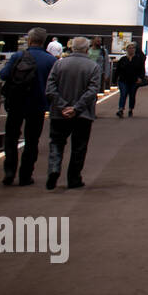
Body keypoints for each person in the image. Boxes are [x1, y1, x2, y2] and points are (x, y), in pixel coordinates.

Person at [0, 27, 57, 187]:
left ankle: (9, 172)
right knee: (32, 141)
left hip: (16, 102)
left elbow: (3, 74)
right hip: (37, 105)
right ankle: (25, 175)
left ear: (29, 40)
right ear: (44, 41)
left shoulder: (18, 56)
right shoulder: (50, 60)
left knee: (11, 138)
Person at [45, 36, 102, 190]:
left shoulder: (59, 64)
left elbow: (50, 89)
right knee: (79, 147)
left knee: (56, 143)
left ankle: (54, 169)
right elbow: (92, 91)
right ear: (86, 48)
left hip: (59, 114)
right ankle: (74, 178)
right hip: (82, 115)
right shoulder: (93, 66)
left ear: (71, 48)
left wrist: (63, 106)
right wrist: (76, 108)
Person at [114, 43, 146, 117]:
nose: (131, 50)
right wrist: (114, 80)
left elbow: (142, 70)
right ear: (127, 50)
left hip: (134, 80)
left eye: (133, 48)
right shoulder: (123, 59)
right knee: (123, 94)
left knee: (132, 95)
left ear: (135, 50)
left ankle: (130, 109)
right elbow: (118, 70)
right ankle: (121, 109)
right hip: (123, 80)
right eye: (129, 48)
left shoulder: (138, 59)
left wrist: (141, 78)